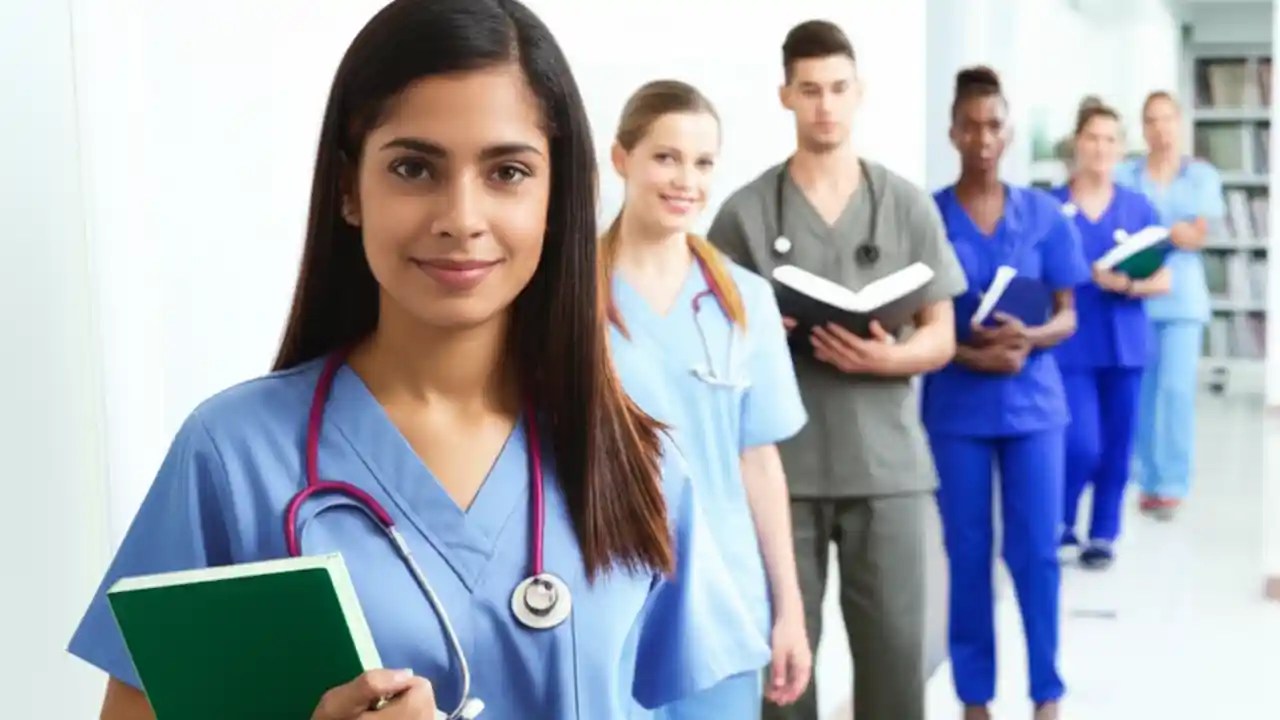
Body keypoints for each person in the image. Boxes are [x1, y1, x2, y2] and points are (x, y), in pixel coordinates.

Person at [65, 2, 769, 718]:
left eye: (507, 172)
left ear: (557, 197)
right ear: (348, 188)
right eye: (413, 167)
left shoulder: (635, 462)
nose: (461, 217)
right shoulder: (233, 458)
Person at [706, 20, 967, 720]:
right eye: (811, 89)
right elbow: (709, 340)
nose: (826, 104)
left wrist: (890, 356)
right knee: (783, 668)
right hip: (780, 473)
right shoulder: (746, 214)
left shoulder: (906, 204)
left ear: (861, 93)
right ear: (786, 94)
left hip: (888, 472)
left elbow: (941, 335)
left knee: (895, 656)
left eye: (839, 89)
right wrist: (763, 332)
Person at [602, 79, 813, 718]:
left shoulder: (743, 298)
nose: (684, 180)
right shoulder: (569, 299)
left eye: (702, 163)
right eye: (665, 157)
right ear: (622, 159)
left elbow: (759, 462)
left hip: (724, 597)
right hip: (609, 591)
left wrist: (790, 611)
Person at [923, 66, 1090, 720]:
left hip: (1034, 408)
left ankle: (1046, 692)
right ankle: (974, 697)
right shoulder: (929, 214)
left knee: (1036, 553)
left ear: (1009, 130)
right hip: (958, 409)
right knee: (967, 554)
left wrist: (1029, 339)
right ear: (953, 131)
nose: (982, 136)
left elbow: (1068, 313)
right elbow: (919, 318)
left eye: (993, 124)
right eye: (970, 124)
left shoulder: (1045, 216)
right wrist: (967, 353)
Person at [1050, 102, 1171, 570]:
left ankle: (1103, 533)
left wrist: (1124, 283)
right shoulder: (1052, 206)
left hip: (1124, 343)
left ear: (1121, 148)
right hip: (1071, 344)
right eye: (1092, 138)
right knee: (1080, 442)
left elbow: (1164, 280)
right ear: (1077, 143)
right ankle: (1061, 522)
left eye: (1109, 140)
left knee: (1118, 446)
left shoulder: (1139, 208)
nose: (1100, 148)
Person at [1115, 91, 1226, 520]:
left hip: (1182, 302)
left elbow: (1196, 235)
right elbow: (1120, 225)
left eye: (1167, 120)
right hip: (1137, 298)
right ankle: (1147, 479)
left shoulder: (1199, 175)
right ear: (1142, 128)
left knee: (1176, 391)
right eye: (1151, 121)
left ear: (1179, 124)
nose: (1160, 129)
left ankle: (1174, 483)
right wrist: (1170, 233)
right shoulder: (1128, 173)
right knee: (1141, 393)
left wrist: (1165, 234)